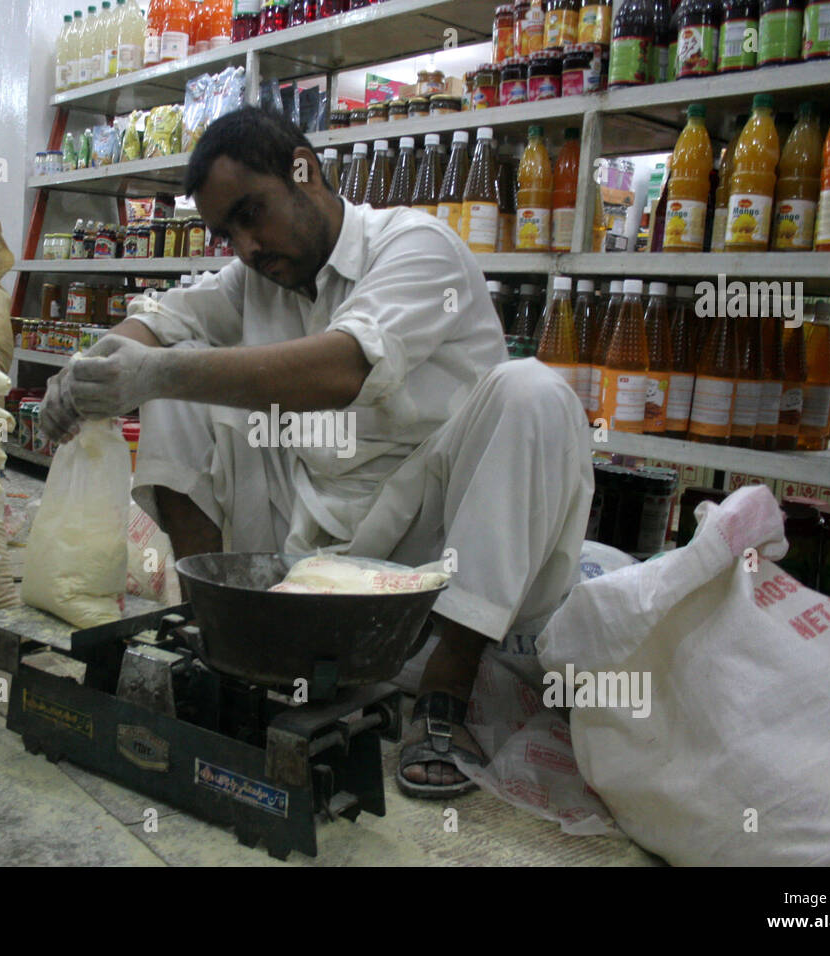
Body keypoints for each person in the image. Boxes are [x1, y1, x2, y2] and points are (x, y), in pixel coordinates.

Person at [40, 107, 592, 798]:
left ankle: (447, 690)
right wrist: (85, 372)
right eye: (226, 233)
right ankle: (214, 631)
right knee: (175, 369)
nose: (245, 246)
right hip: (308, 534)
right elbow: (158, 320)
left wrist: (157, 372)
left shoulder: (415, 245)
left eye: (253, 214)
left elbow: (343, 370)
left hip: (434, 534)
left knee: (533, 392)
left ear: (304, 170)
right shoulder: (255, 279)